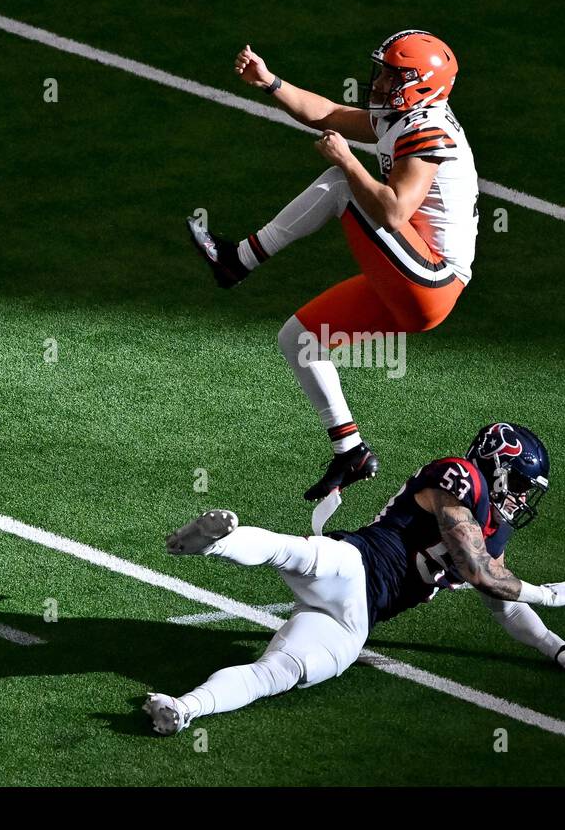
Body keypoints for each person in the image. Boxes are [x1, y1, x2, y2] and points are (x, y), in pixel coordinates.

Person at [144, 423, 565, 735]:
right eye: (517, 482)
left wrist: (555, 646)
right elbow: (480, 574)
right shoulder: (459, 478)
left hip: (354, 622)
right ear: (494, 465)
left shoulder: (492, 529)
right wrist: (548, 594)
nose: (519, 496)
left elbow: (505, 604)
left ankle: (182, 708)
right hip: (359, 562)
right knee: (292, 551)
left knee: (275, 674)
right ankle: (215, 541)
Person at [186, 30, 480, 501]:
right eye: (382, 70)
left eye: (393, 74)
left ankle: (236, 261)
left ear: (423, 82)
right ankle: (351, 451)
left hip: (433, 278)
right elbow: (326, 112)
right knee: (299, 339)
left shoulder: (427, 128)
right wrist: (270, 82)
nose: (381, 81)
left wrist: (348, 160)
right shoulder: (406, 114)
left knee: (342, 183)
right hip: (418, 279)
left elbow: (394, 211)